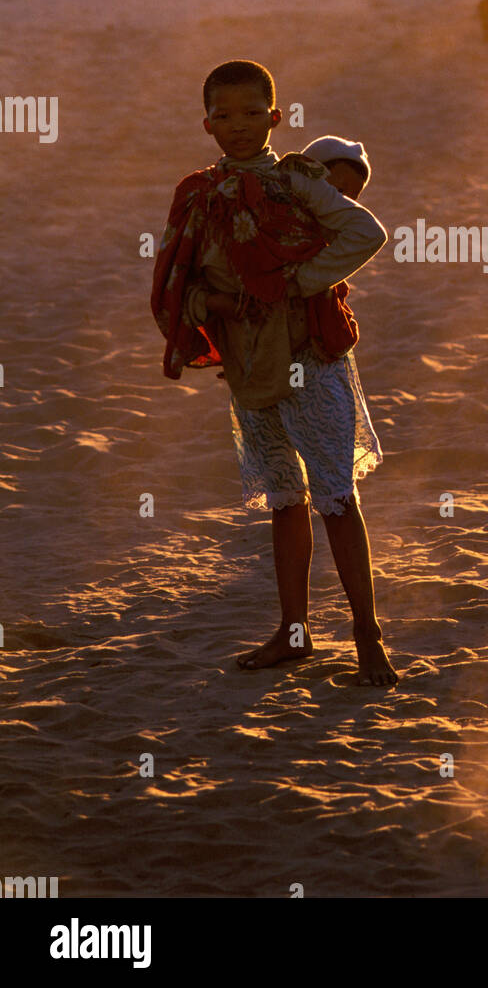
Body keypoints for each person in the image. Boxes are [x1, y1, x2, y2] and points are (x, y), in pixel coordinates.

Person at [151, 59, 398, 685]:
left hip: (310, 361)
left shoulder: (296, 183)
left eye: (251, 113)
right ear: (207, 124)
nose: (238, 126)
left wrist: (292, 283)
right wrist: (223, 304)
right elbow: (184, 284)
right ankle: (295, 634)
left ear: (276, 118)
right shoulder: (200, 197)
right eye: (224, 116)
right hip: (250, 366)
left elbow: (365, 232)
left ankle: (368, 637)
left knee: (337, 500)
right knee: (286, 501)